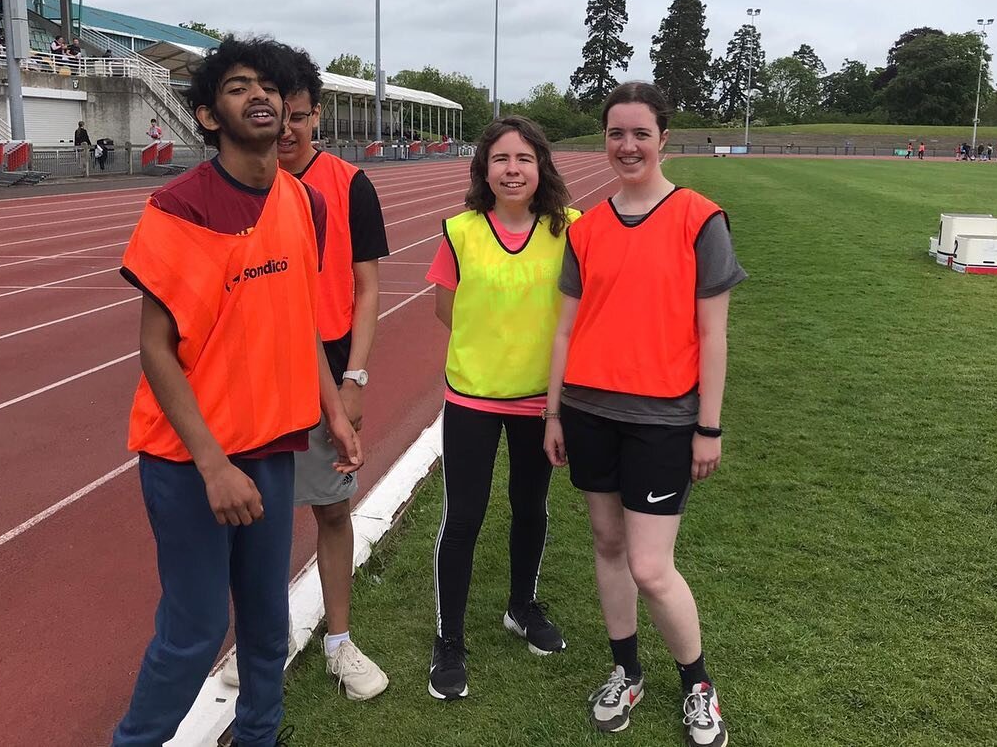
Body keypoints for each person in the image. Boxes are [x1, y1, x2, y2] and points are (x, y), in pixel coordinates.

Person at [111, 37, 361, 747]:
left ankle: (259, 734)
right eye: (238, 86)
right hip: (191, 459)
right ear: (208, 115)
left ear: (289, 106)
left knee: (262, 618)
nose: (261, 96)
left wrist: (332, 411)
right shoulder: (178, 207)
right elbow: (155, 349)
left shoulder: (304, 203)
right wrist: (213, 464)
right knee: (194, 630)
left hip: (273, 449)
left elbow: (301, 322)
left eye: (270, 87)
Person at [544, 82, 745, 746]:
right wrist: (553, 414)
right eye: (614, 133)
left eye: (639, 133)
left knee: (652, 567)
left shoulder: (699, 218)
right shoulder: (589, 227)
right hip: (589, 411)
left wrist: (708, 425)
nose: (626, 145)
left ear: (663, 139)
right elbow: (567, 331)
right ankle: (626, 671)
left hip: (663, 419)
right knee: (607, 545)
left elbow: (713, 334)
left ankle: (698, 684)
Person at [225, 45, 392, 700]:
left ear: (316, 115)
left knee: (331, 510)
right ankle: (260, 638)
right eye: (278, 114)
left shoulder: (350, 185)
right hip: (254, 377)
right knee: (253, 519)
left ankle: (340, 643)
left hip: (326, 369)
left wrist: (355, 379)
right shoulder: (236, 187)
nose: (287, 128)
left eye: (300, 115)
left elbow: (368, 288)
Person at [424, 115, 579, 700]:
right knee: (463, 516)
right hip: (472, 398)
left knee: (530, 506)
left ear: (541, 168)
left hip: (541, 401)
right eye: (500, 159)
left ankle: (522, 606)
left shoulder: (570, 229)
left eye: (524, 160)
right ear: (483, 169)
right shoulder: (461, 231)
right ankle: (450, 639)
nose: (512, 170)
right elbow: (448, 309)